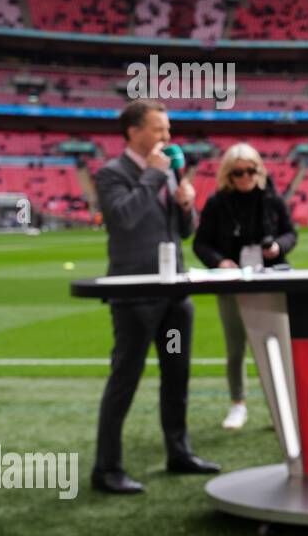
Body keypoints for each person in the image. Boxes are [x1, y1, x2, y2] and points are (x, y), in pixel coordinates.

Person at [91, 99, 220, 494]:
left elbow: (183, 233)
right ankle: (107, 468)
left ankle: (179, 451)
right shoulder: (112, 174)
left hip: (173, 294)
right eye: (159, 129)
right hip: (134, 295)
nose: (166, 137)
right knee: (125, 377)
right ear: (133, 131)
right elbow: (125, 219)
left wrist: (187, 206)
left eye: (168, 130)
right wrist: (152, 177)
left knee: (176, 374)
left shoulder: (164, 172)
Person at [193, 142, 298, 430]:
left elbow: (291, 234)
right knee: (235, 348)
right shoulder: (216, 204)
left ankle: (282, 407)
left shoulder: (273, 200)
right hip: (232, 281)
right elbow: (200, 243)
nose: (245, 177)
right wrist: (220, 262)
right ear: (229, 173)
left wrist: (278, 246)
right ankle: (237, 403)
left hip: (270, 278)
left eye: (250, 170)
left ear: (258, 171)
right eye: (238, 172)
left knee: (275, 346)